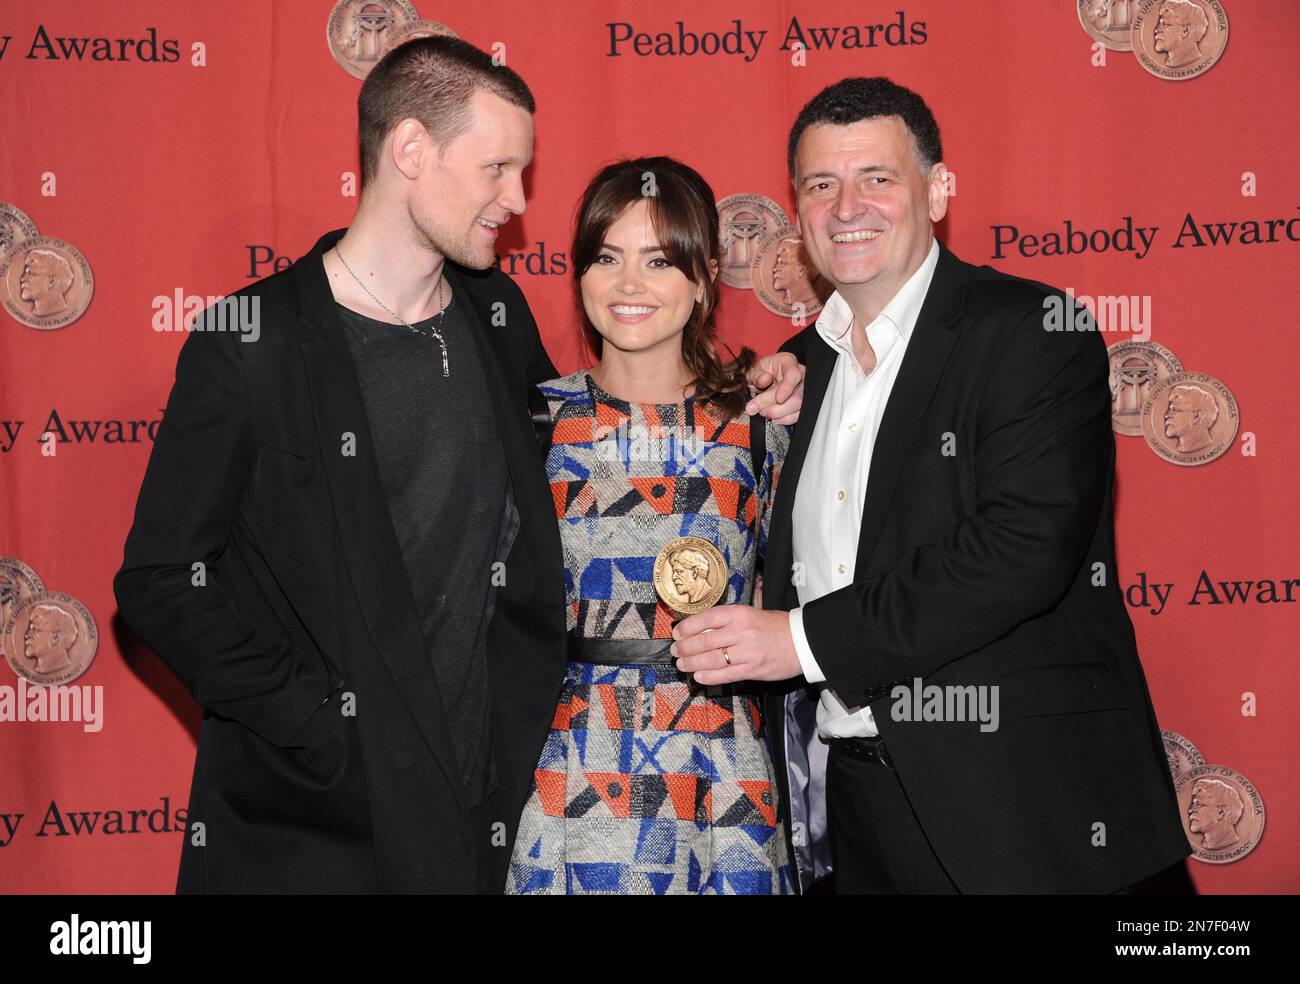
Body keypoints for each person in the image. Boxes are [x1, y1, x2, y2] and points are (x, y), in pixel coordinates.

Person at [113, 37, 803, 894]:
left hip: (492, 806)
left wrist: (778, 373)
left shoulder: (495, 313)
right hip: (313, 817)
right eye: (499, 169)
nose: (517, 201)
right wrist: (318, 723)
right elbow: (159, 581)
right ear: (411, 151)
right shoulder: (251, 343)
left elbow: (610, 453)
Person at [671, 77, 1191, 893]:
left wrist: (797, 641)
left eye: (877, 178)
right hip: (854, 811)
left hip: (1026, 809)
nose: (848, 207)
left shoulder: (1031, 331)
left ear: (938, 191)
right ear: (796, 211)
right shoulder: (797, 368)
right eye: (820, 185)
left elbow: (1022, 548)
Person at [507, 158, 796, 895]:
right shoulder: (532, 421)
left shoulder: (758, 427)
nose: (628, 286)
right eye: (607, 258)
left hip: (721, 774)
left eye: (659, 261)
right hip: (569, 766)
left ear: (703, 279)